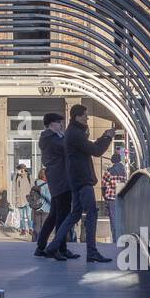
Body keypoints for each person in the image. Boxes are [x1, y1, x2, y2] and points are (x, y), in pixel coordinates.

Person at [43, 104, 115, 263]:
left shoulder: (73, 133)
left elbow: (90, 147)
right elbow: (96, 151)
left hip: (76, 179)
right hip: (82, 180)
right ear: (77, 117)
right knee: (92, 212)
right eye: (85, 116)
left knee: (75, 214)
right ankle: (91, 252)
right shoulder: (75, 134)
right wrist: (108, 137)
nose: (87, 118)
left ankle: (52, 247)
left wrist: (102, 137)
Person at [34, 113, 79, 260]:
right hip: (61, 181)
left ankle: (41, 247)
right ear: (52, 124)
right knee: (63, 216)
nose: (62, 126)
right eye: (60, 123)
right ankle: (60, 248)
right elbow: (68, 148)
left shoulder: (48, 138)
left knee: (54, 215)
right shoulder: (53, 139)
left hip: (56, 179)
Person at [101, 154, 126, 242]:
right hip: (121, 198)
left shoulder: (109, 171)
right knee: (120, 220)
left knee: (113, 220)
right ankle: (120, 239)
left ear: (113, 160)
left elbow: (103, 185)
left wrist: (104, 196)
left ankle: (115, 240)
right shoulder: (124, 171)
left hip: (111, 199)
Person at [13, 161, 34, 239]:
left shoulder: (29, 176)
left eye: (19, 169)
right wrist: (14, 199)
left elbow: (33, 187)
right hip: (19, 199)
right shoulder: (17, 177)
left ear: (23, 169)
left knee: (29, 215)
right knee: (21, 216)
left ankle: (31, 229)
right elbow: (14, 189)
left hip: (27, 199)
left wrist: (32, 197)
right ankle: (23, 229)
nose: (18, 171)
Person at [29, 167, 51, 240]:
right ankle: (41, 242)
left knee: (36, 226)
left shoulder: (36, 183)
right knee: (44, 227)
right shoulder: (47, 185)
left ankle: (34, 240)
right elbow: (49, 198)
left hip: (36, 208)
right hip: (45, 209)